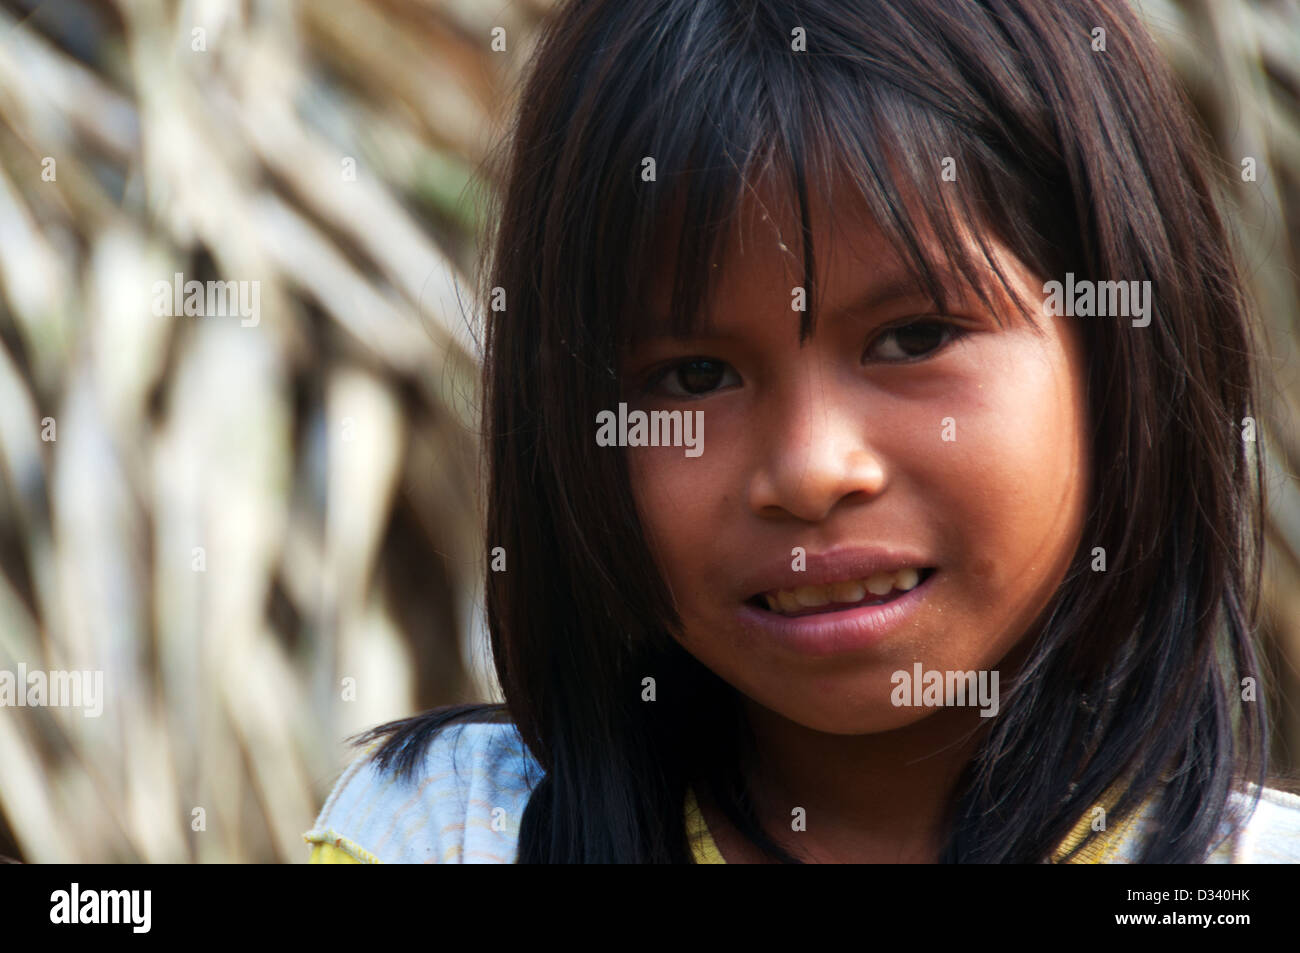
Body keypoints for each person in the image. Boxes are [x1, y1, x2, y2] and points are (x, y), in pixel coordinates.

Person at [305, 0, 1300, 863]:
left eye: (913, 337)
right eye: (694, 376)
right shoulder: (450, 832)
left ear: (1119, 347)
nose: (811, 469)